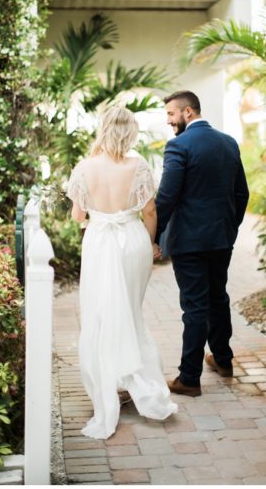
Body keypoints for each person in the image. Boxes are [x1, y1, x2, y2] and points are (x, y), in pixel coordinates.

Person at [66, 106, 178, 440]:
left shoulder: (84, 167)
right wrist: (152, 242)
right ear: (130, 132)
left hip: (99, 241)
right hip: (132, 241)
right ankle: (136, 380)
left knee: (100, 313)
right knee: (130, 312)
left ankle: (108, 381)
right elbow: (150, 211)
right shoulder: (138, 165)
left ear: (103, 129)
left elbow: (77, 216)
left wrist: (97, 211)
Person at [154, 90, 249, 397]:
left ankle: (189, 377)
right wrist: (230, 227)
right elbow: (242, 194)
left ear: (188, 112)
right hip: (221, 238)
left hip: (190, 241)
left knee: (195, 306)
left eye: (171, 114)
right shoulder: (228, 142)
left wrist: (153, 235)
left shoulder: (179, 145)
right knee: (218, 297)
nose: (168, 121)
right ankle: (222, 359)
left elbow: (166, 197)